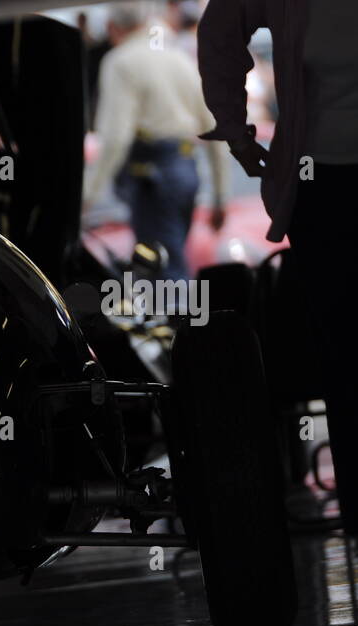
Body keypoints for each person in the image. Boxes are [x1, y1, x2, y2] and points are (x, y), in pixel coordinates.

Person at [199, 0, 358, 531]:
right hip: (320, 188)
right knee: (342, 347)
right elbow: (220, 35)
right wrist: (237, 132)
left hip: (323, 186)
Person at [83, 5, 230, 282]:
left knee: (162, 271)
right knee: (168, 260)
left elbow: (115, 137)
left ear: (113, 28)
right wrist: (221, 197)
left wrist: (89, 194)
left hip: (152, 175)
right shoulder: (179, 59)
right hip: (185, 171)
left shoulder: (121, 61)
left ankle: (177, 323)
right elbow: (216, 131)